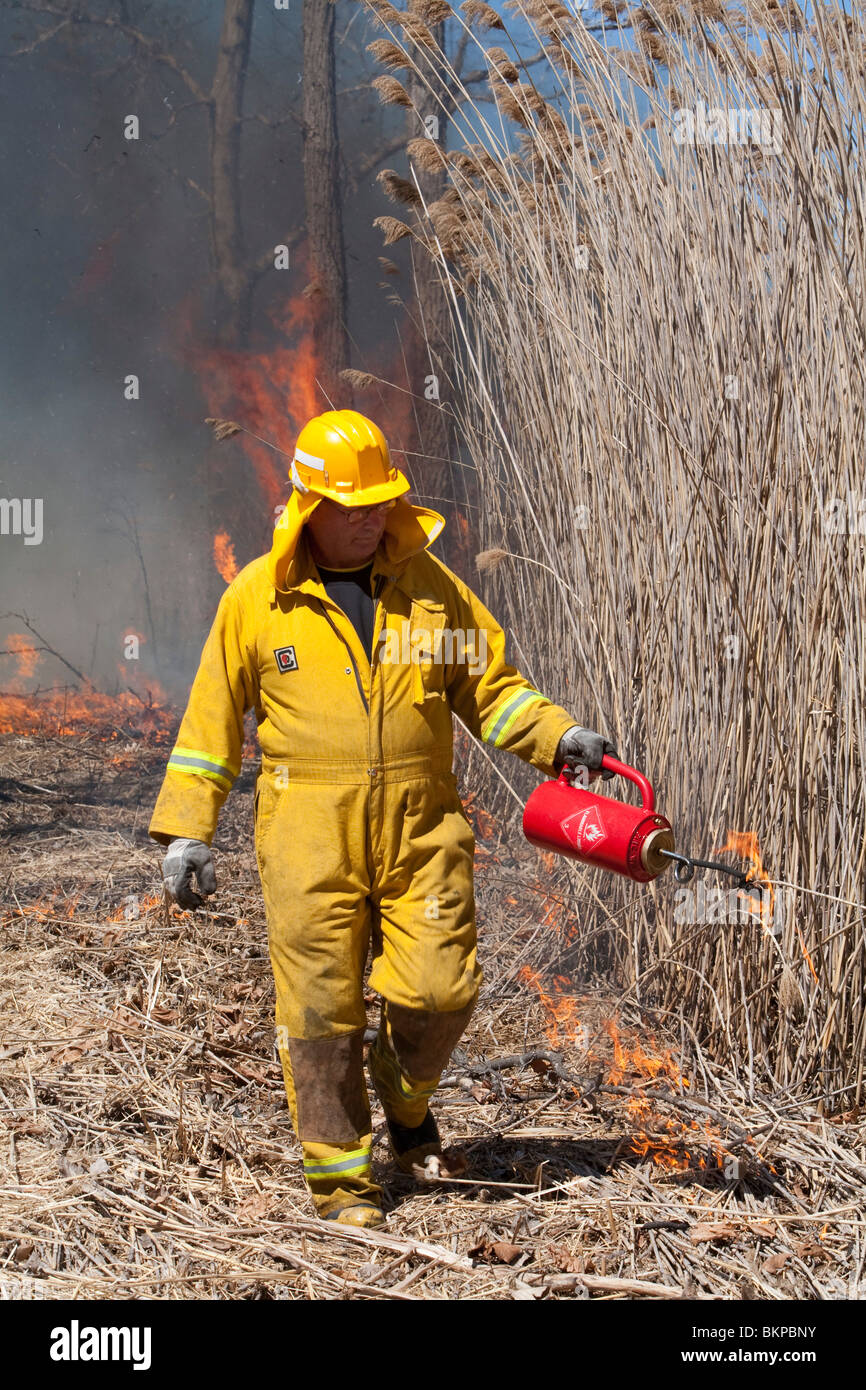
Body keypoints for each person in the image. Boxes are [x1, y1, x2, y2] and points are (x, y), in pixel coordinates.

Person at [151, 409, 616, 1227]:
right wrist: (188, 829)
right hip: (306, 827)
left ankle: (404, 1095)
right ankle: (343, 1183)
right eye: (353, 505)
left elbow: (493, 689)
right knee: (319, 1011)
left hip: (420, 821)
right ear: (308, 506)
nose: (371, 519)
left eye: (380, 502)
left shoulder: (430, 590)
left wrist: (559, 737)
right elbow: (211, 726)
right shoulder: (259, 601)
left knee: (442, 990)